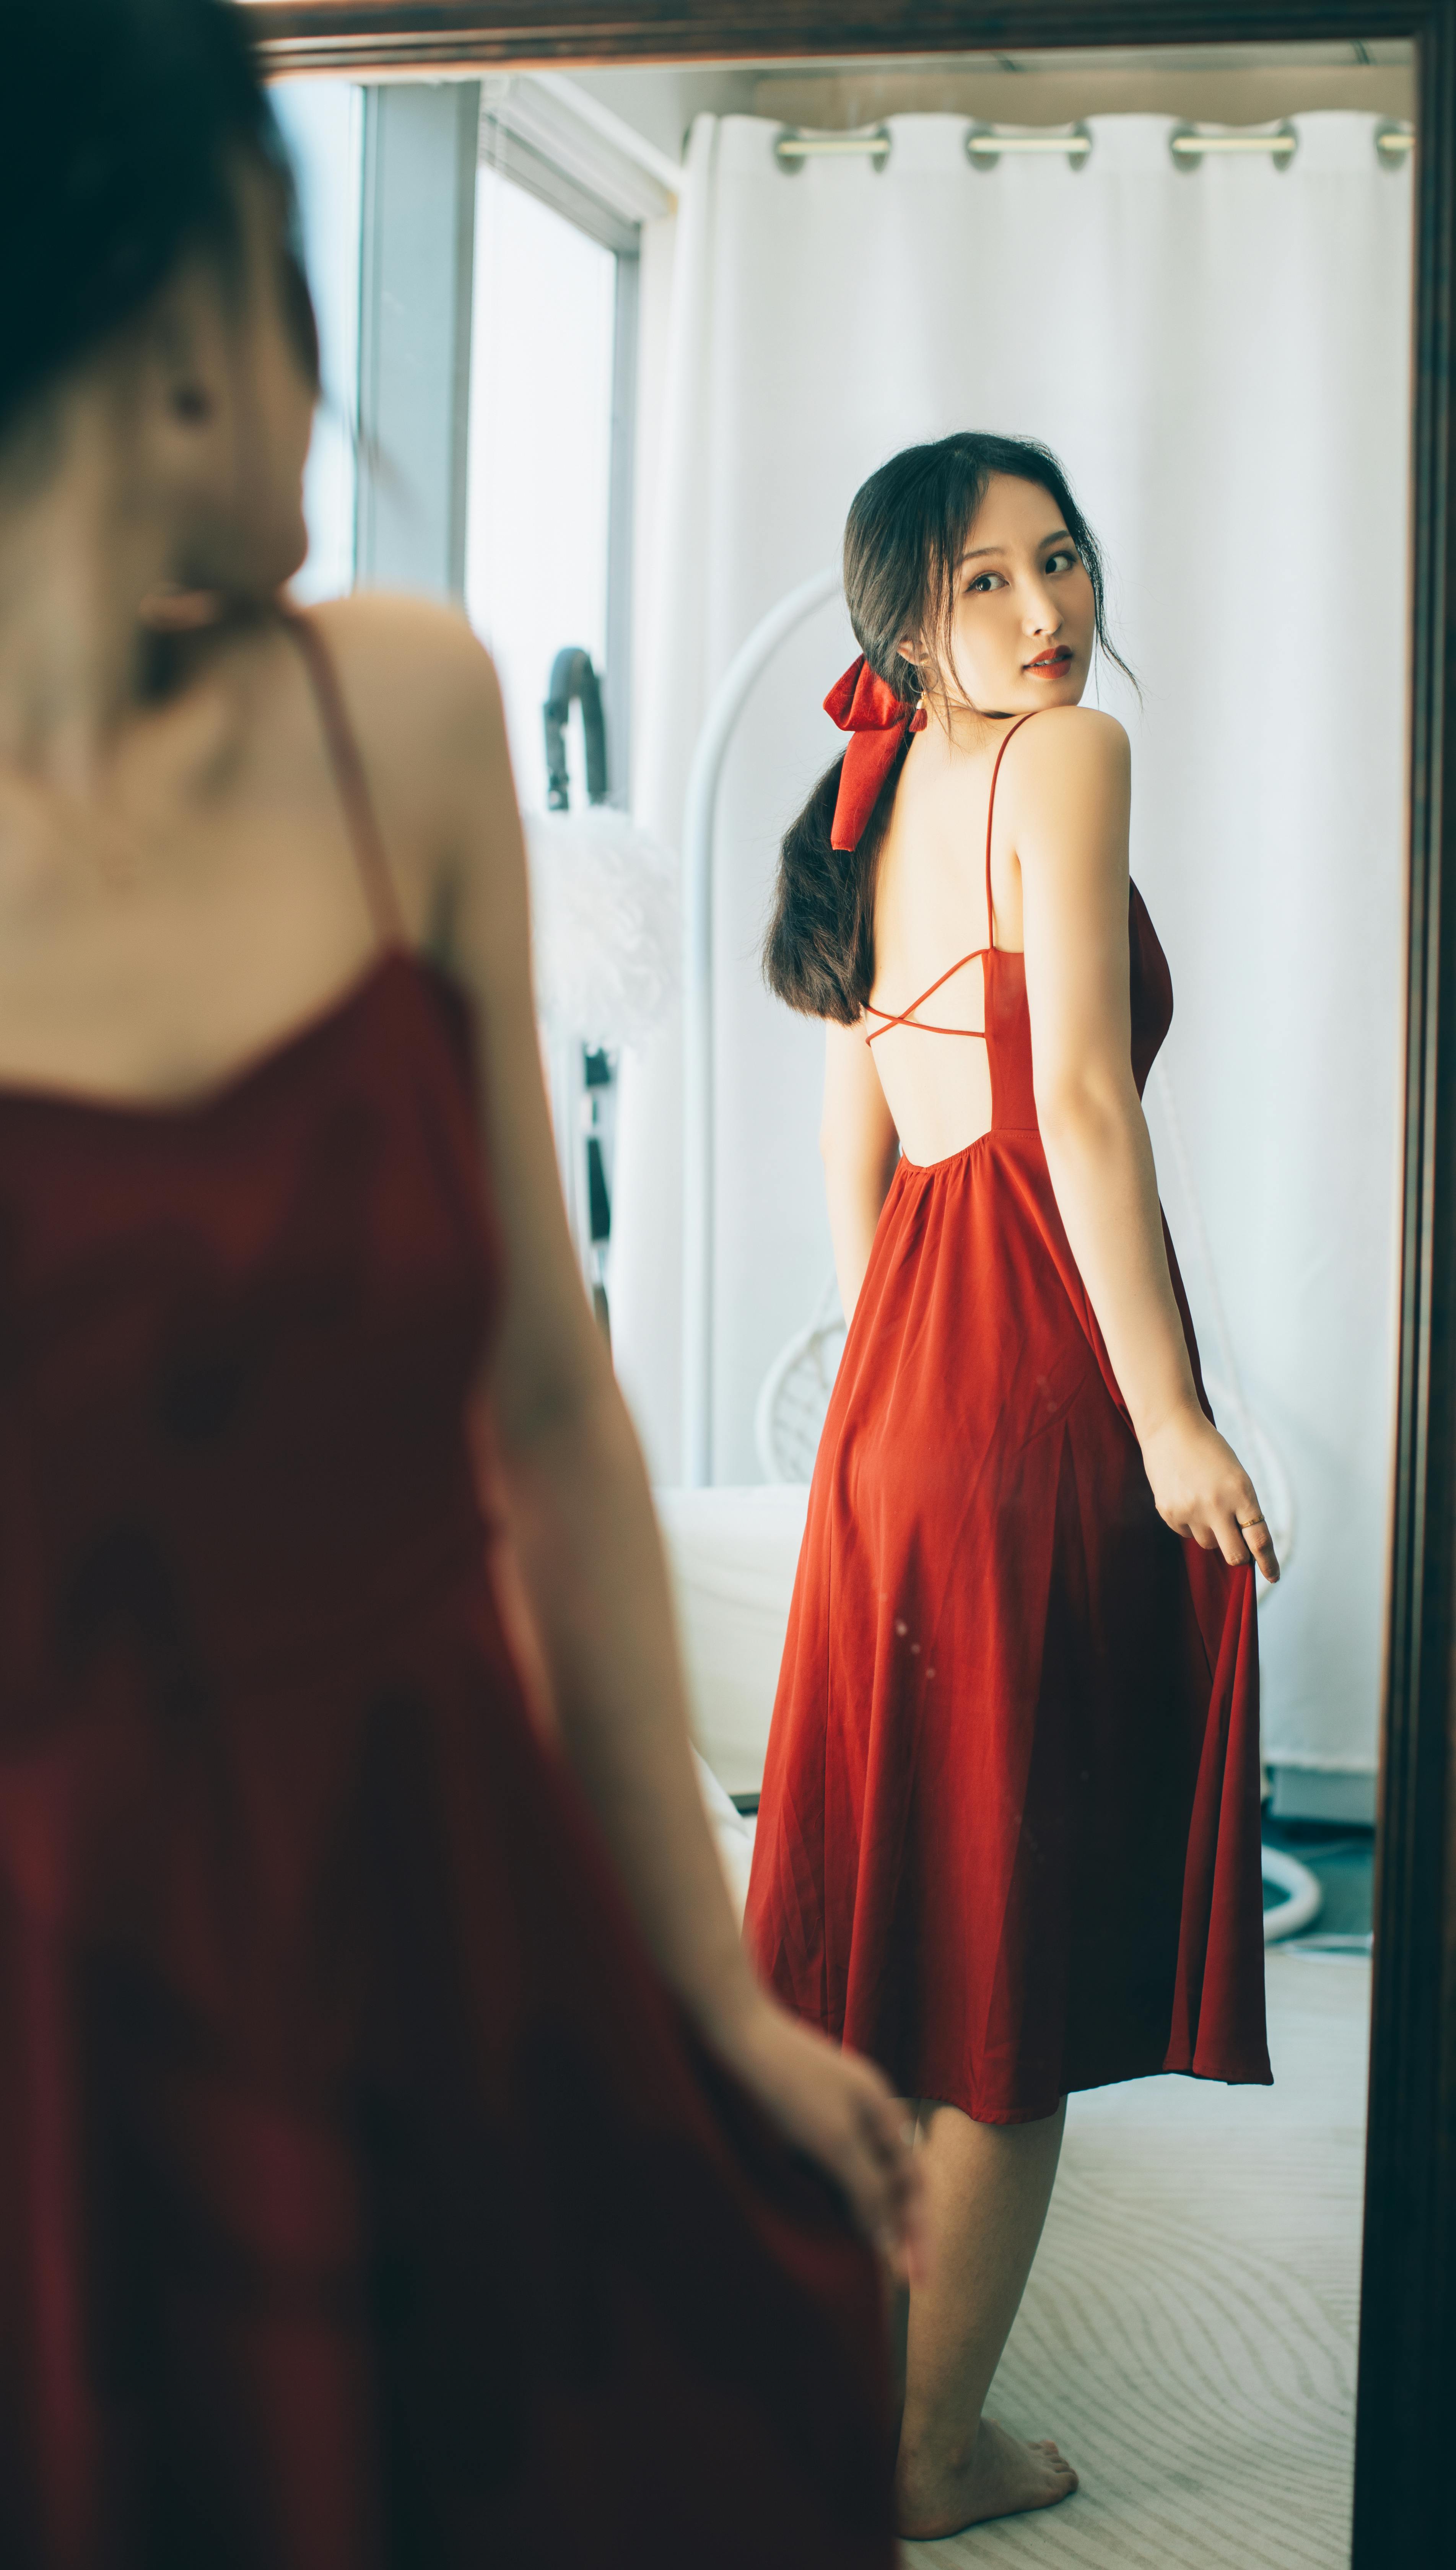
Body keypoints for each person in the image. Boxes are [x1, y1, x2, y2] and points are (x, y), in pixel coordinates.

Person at [0, 4, 918, 2562]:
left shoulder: (397, 718)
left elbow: (547, 1408)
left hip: (446, 1908)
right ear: (189, 300)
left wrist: (713, 1992)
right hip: (66, 2020)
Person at [748, 431, 1279, 2540]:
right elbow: (1075, 1091)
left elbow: (855, 1153)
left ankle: (836, 2409)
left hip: (901, 1394)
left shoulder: (866, 803)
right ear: (904, 623)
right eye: (987, 583)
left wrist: (915, 1379)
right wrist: (1158, 1416)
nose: (1047, 613)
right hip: (1033, 1371)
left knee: (892, 1944)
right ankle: (916, 2460)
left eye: (1058, 562)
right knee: (1004, 1974)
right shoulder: (1070, 763)